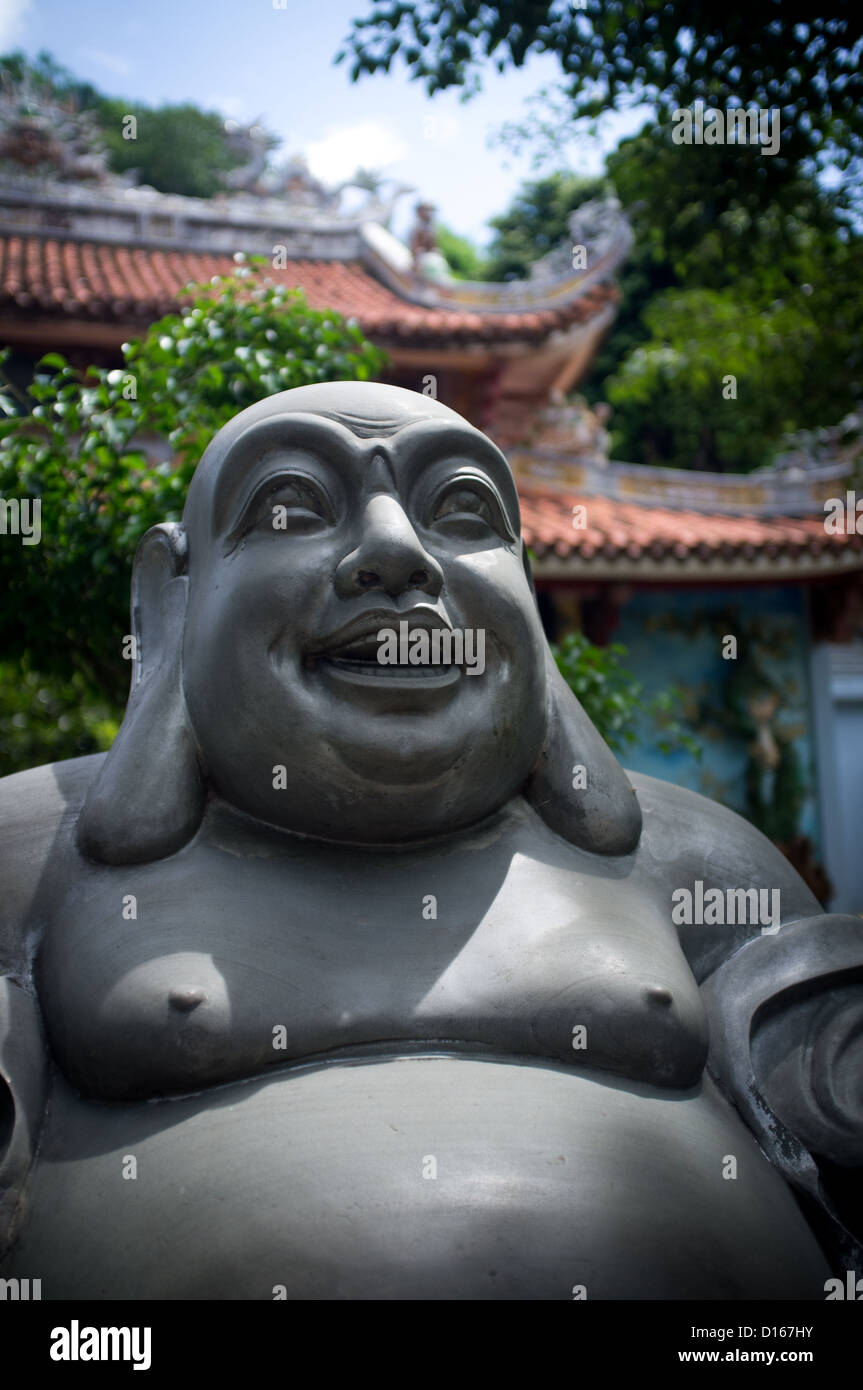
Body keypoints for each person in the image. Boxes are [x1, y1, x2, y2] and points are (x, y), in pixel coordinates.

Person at [0, 383, 859, 1299]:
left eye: (461, 510)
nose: (397, 555)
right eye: (291, 507)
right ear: (170, 595)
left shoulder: (693, 857)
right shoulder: (31, 853)